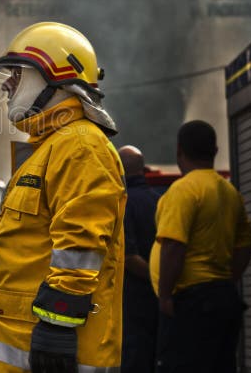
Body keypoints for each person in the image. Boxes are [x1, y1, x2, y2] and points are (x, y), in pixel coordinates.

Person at [0, 22, 126, 373]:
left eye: (17, 73)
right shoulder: (51, 147)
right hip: (19, 342)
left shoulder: (81, 147)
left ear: (53, 76)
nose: (6, 85)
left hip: (50, 354)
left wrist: (58, 323)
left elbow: (81, 247)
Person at [150, 120, 251, 373]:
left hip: (191, 303)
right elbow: (245, 244)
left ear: (179, 152)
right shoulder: (230, 192)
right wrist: (228, 279)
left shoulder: (183, 191)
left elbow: (173, 246)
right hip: (222, 299)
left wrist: (165, 297)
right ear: (215, 151)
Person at [117, 145, 160, 373]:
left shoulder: (124, 203)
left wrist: (155, 279)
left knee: (136, 361)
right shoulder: (159, 200)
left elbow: (129, 257)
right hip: (161, 300)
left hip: (134, 302)